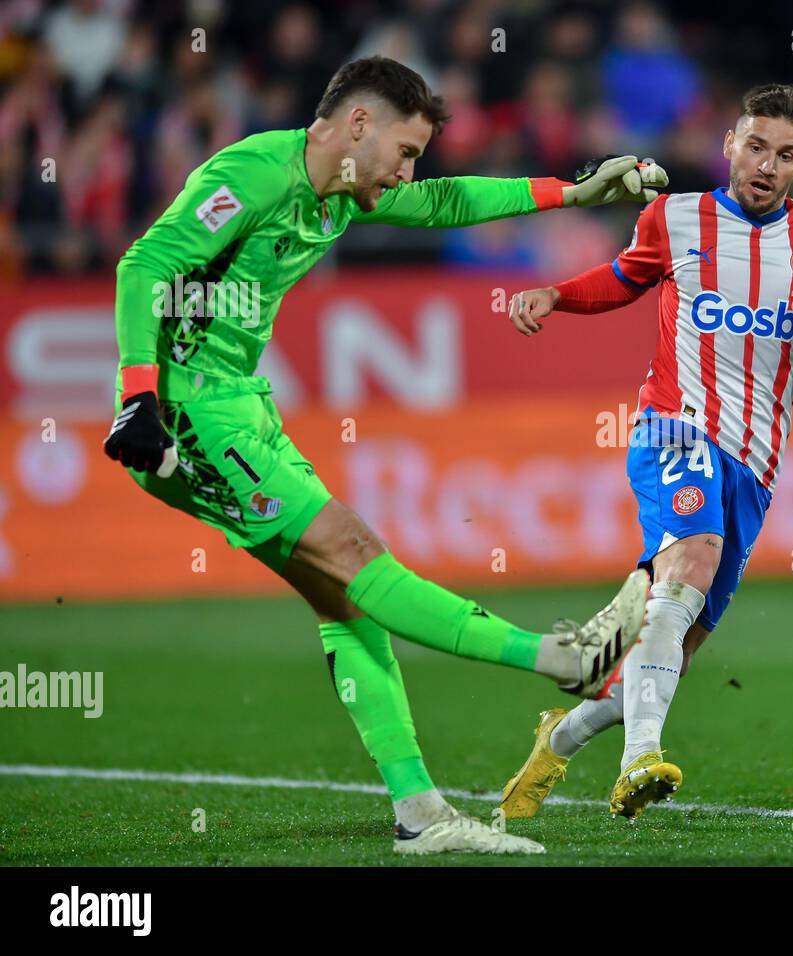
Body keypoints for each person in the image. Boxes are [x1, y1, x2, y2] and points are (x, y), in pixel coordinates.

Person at [103, 56, 667, 854]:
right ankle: (559, 658)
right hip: (185, 413)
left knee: (348, 601)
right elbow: (145, 263)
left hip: (241, 405)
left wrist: (572, 192)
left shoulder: (340, 189)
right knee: (353, 549)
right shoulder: (253, 173)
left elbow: (447, 200)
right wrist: (138, 398)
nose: (409, 171)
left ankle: (419, 813)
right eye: (405, 152)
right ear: (357, 126)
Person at [499, 83, 793, 820]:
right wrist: (555, 295)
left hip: (756, 463)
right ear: (728, 145)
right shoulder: (676, 216)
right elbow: (622, 279)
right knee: (692, 559)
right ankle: (640, 760)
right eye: (755, 146)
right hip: (672, 426)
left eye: (786, 154)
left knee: (672, 645)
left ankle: (563, 735)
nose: (766, 165)